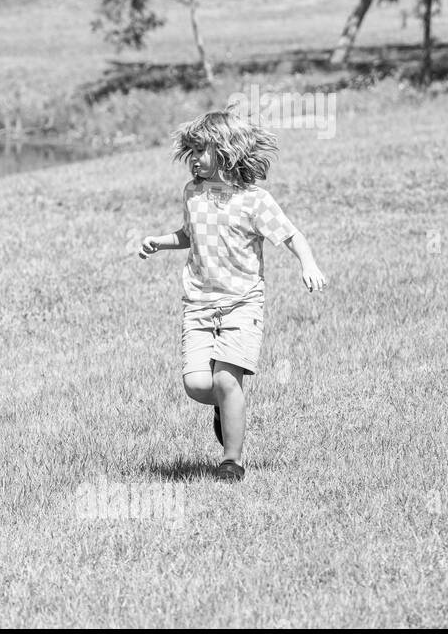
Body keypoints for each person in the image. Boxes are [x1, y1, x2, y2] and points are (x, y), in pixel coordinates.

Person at [139, 110, 326, 482]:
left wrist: (308, 263)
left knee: (227, 379)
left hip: (242, 302)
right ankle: (227, 407)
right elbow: (189, 234)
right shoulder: (192, 193)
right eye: (190, 150)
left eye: (201, 150)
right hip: (199, 304)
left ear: (227, 152)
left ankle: (231, 461)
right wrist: (161, 242)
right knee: (197, 385)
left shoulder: (255, 200)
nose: (193, 158)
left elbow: (291, 235)